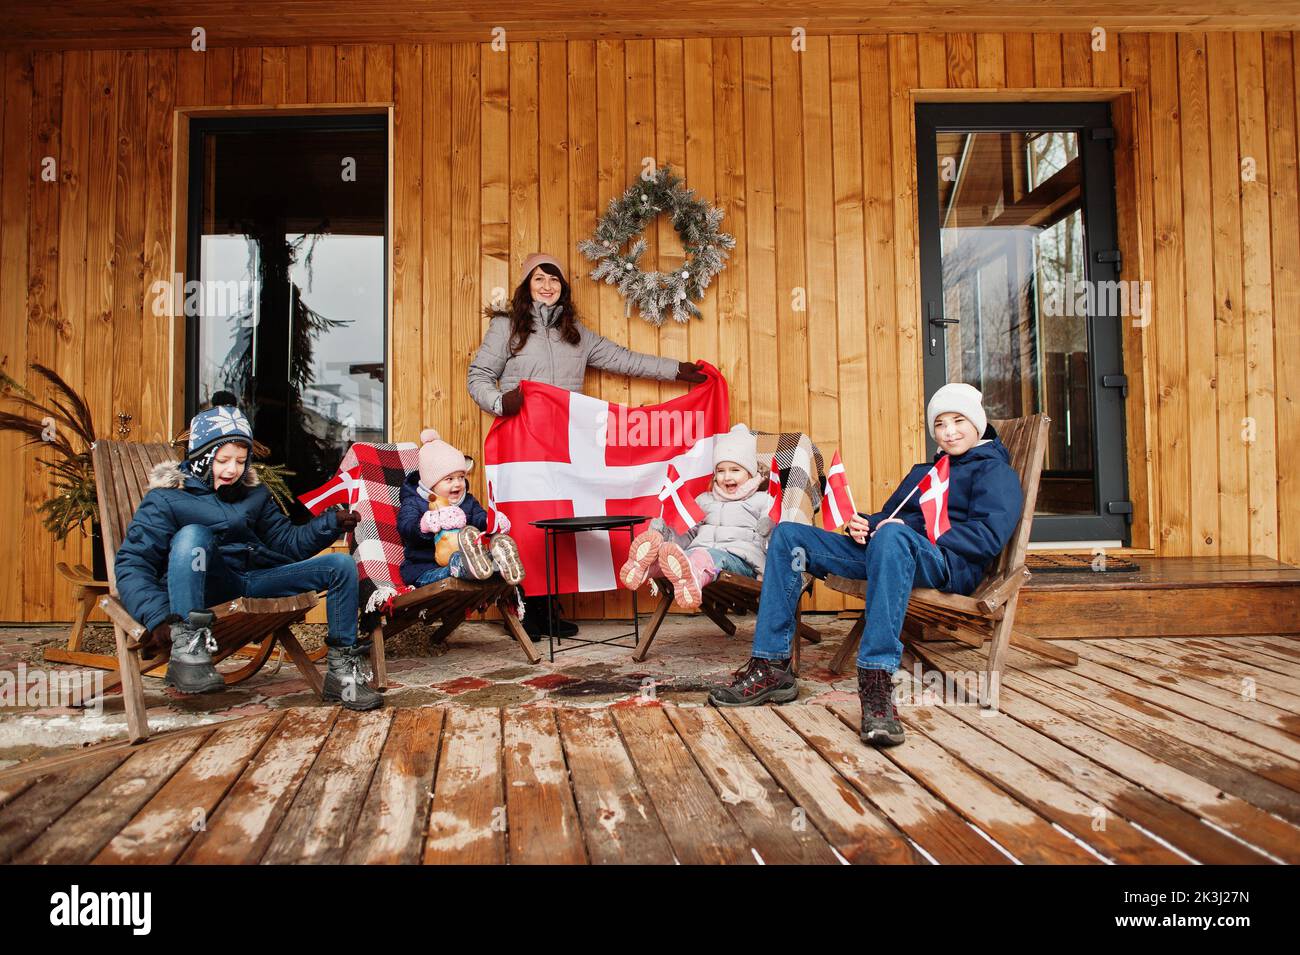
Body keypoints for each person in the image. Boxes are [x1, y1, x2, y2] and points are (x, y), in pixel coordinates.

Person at [707, 384, 1023, 748]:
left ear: (978, 423)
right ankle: (772, 667)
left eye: (958, 421)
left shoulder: (993, 472)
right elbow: (891, 519)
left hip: (945, 564)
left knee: (893, 538)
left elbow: (987, 536)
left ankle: (876, 681)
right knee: (790, 536)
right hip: (889, 551)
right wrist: (865, 525)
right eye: (940, 424)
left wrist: (905, 533)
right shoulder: (929, 469)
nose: (949, 431)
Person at [467, 252, 708, 636]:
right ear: (526, 284)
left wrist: (676, 370)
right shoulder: (506, 327)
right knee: (527, 527)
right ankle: (529, 611)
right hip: (522, 444)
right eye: (539, 279)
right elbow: (479, 375)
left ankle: (551, 612)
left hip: (565, 447)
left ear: (563, 288)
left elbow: (623, 359)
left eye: (555, 280)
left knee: (562, 521)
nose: (547, 286)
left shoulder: (575, 332)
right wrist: (500, 401)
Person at [113, 405, 381, 711]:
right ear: (201, 458)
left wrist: (328, 524)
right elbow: (132, 563)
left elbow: (286, 544)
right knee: (193, 535)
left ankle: (343, 677)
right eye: (223, 460)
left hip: (254, 580)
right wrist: (160, 617)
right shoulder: (166, 499)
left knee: (340, 565)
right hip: (207, 586)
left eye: (241, 461)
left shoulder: (253, 494)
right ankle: (188, 650)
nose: (233, 470)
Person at [619, 424, 773, 609]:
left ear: (750, 472)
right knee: (677, 554)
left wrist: (768, 529)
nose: (726, 476)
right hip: (697, 553)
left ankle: (692, 576)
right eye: (721, 471)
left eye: (735, 470)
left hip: (738, 560)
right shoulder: (704, 500)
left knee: (704, 556)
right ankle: (648, 567)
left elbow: (774, 544)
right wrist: (667, 535)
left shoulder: (763, 501)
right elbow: (689, 535)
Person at [397, 428, 524, 587]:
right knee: (455, 567)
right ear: (431, 483)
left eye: (461, 477)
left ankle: (499, 563)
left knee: (476, 560)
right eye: (449, 479)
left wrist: (492, 522)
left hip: (466, 561)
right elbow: (406, 526)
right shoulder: (414, 502)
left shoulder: (467, 502)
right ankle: (468, 565)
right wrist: (426, 524)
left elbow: (478, 517)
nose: (457, 483)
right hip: (424, 569)